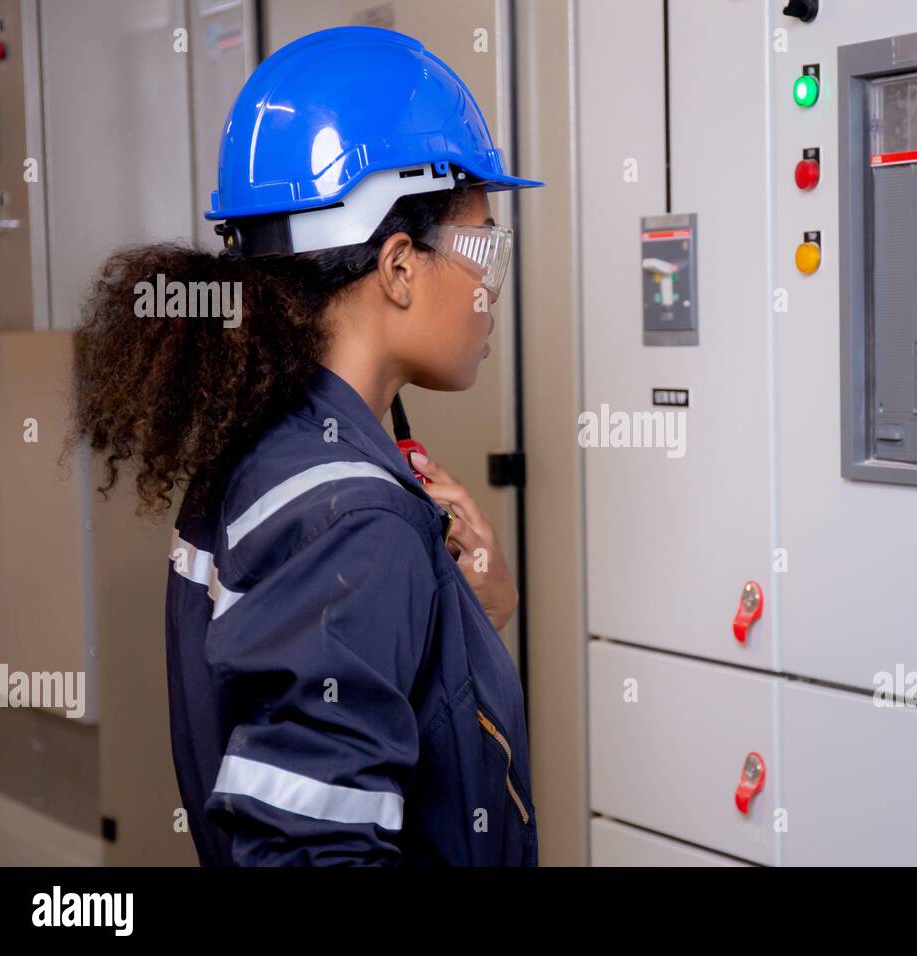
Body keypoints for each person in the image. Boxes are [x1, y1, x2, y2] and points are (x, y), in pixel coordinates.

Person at [66, 26, 543, 866]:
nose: (490, 283)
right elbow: (308, 851)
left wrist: (464, 616)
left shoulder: (267, 449)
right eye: (482, 247)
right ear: (398, 267)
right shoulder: (354, 522)